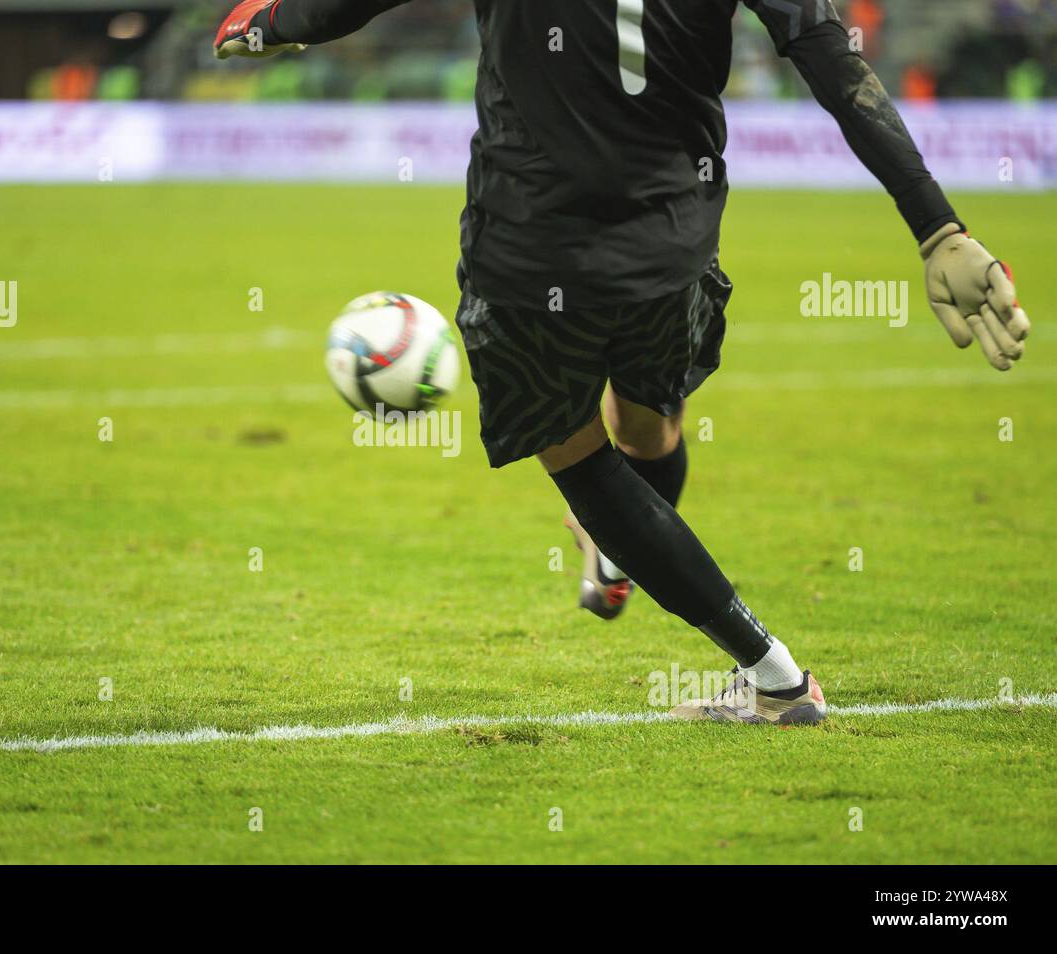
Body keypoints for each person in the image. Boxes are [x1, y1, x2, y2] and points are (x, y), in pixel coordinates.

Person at [212, 0, 1031, 724]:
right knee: (646, 422)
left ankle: (773, 677)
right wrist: (937, 227)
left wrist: (271, 21)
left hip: (528, 250)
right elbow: (832, 59)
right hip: (669, 249)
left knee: (580, 458)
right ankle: (625, 560)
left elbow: (340, 7)